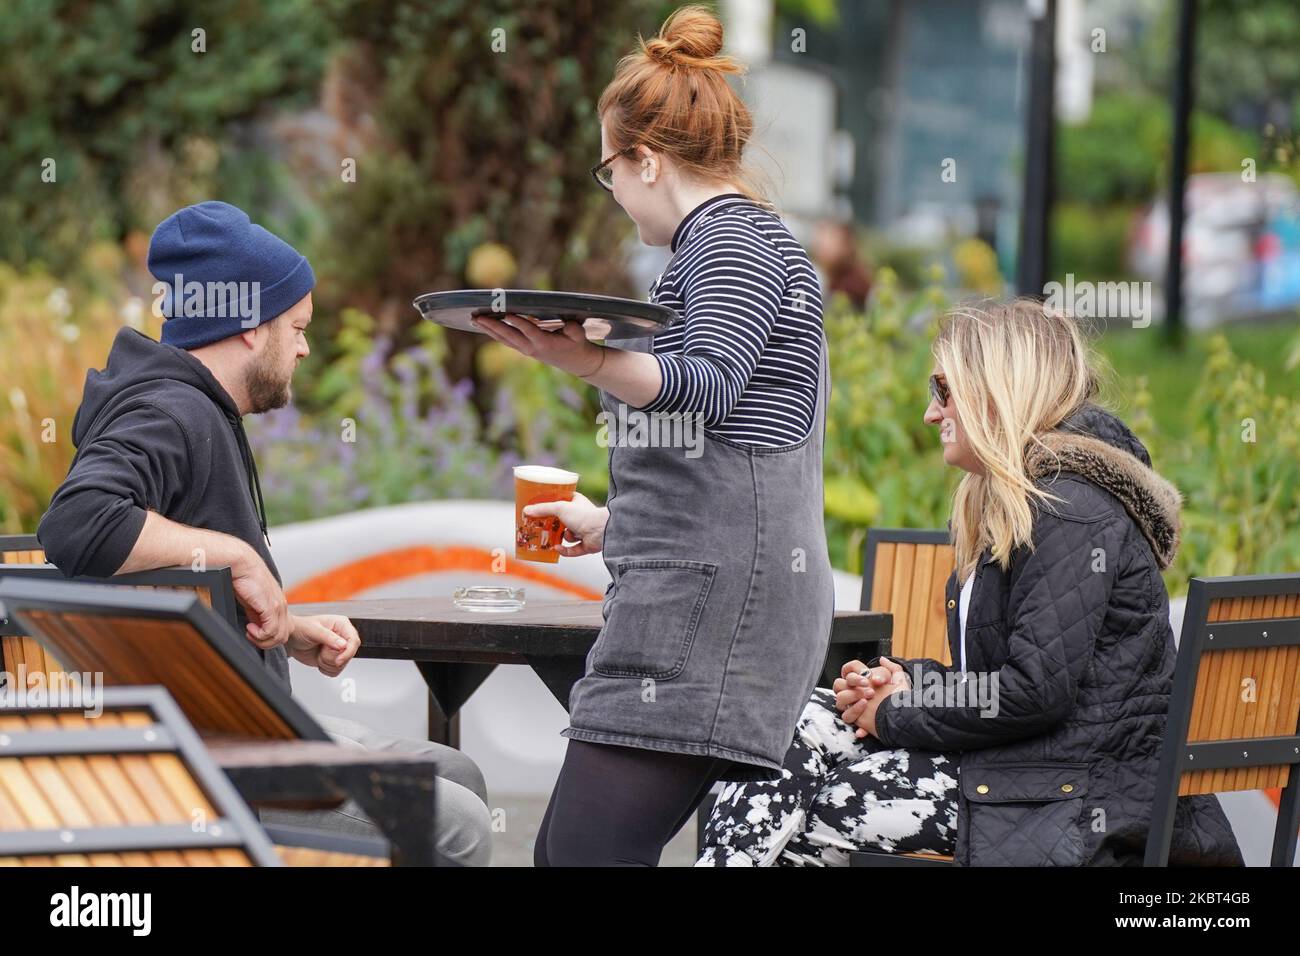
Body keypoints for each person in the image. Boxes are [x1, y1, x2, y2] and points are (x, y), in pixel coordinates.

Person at [472, 5, 835, 867]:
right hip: (706, 604)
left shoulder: (732, 240)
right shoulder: (721, 243)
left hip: (708, 622)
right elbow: (730, 429)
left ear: (646, 159)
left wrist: (583, 360)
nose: (613, 193)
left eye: (609, 171)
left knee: (580, 859)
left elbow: (706, 389)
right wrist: (614, 523)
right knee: (568, 855)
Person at [697, 299, 1245, 867]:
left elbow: (1035, 691)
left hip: (1071, 795)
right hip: (1027, 765)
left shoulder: (1070, 508)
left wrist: (896, 710)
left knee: (818, 807)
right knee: (775, 725)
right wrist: (907, 680)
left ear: (998, 391)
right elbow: (1009, 679)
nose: (932, 415)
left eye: (944, 390)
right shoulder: (1025, 500)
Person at [38, 200, 493, 866]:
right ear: (249, 325)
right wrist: (239, 556)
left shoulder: (192, 406)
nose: (306, 347)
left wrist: (286, 626)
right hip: (202, 752)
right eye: (298, 326)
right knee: (454, 822)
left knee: (459, 777)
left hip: (234, 722)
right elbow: (76, 523)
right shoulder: (171, 410)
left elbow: (171, 573)